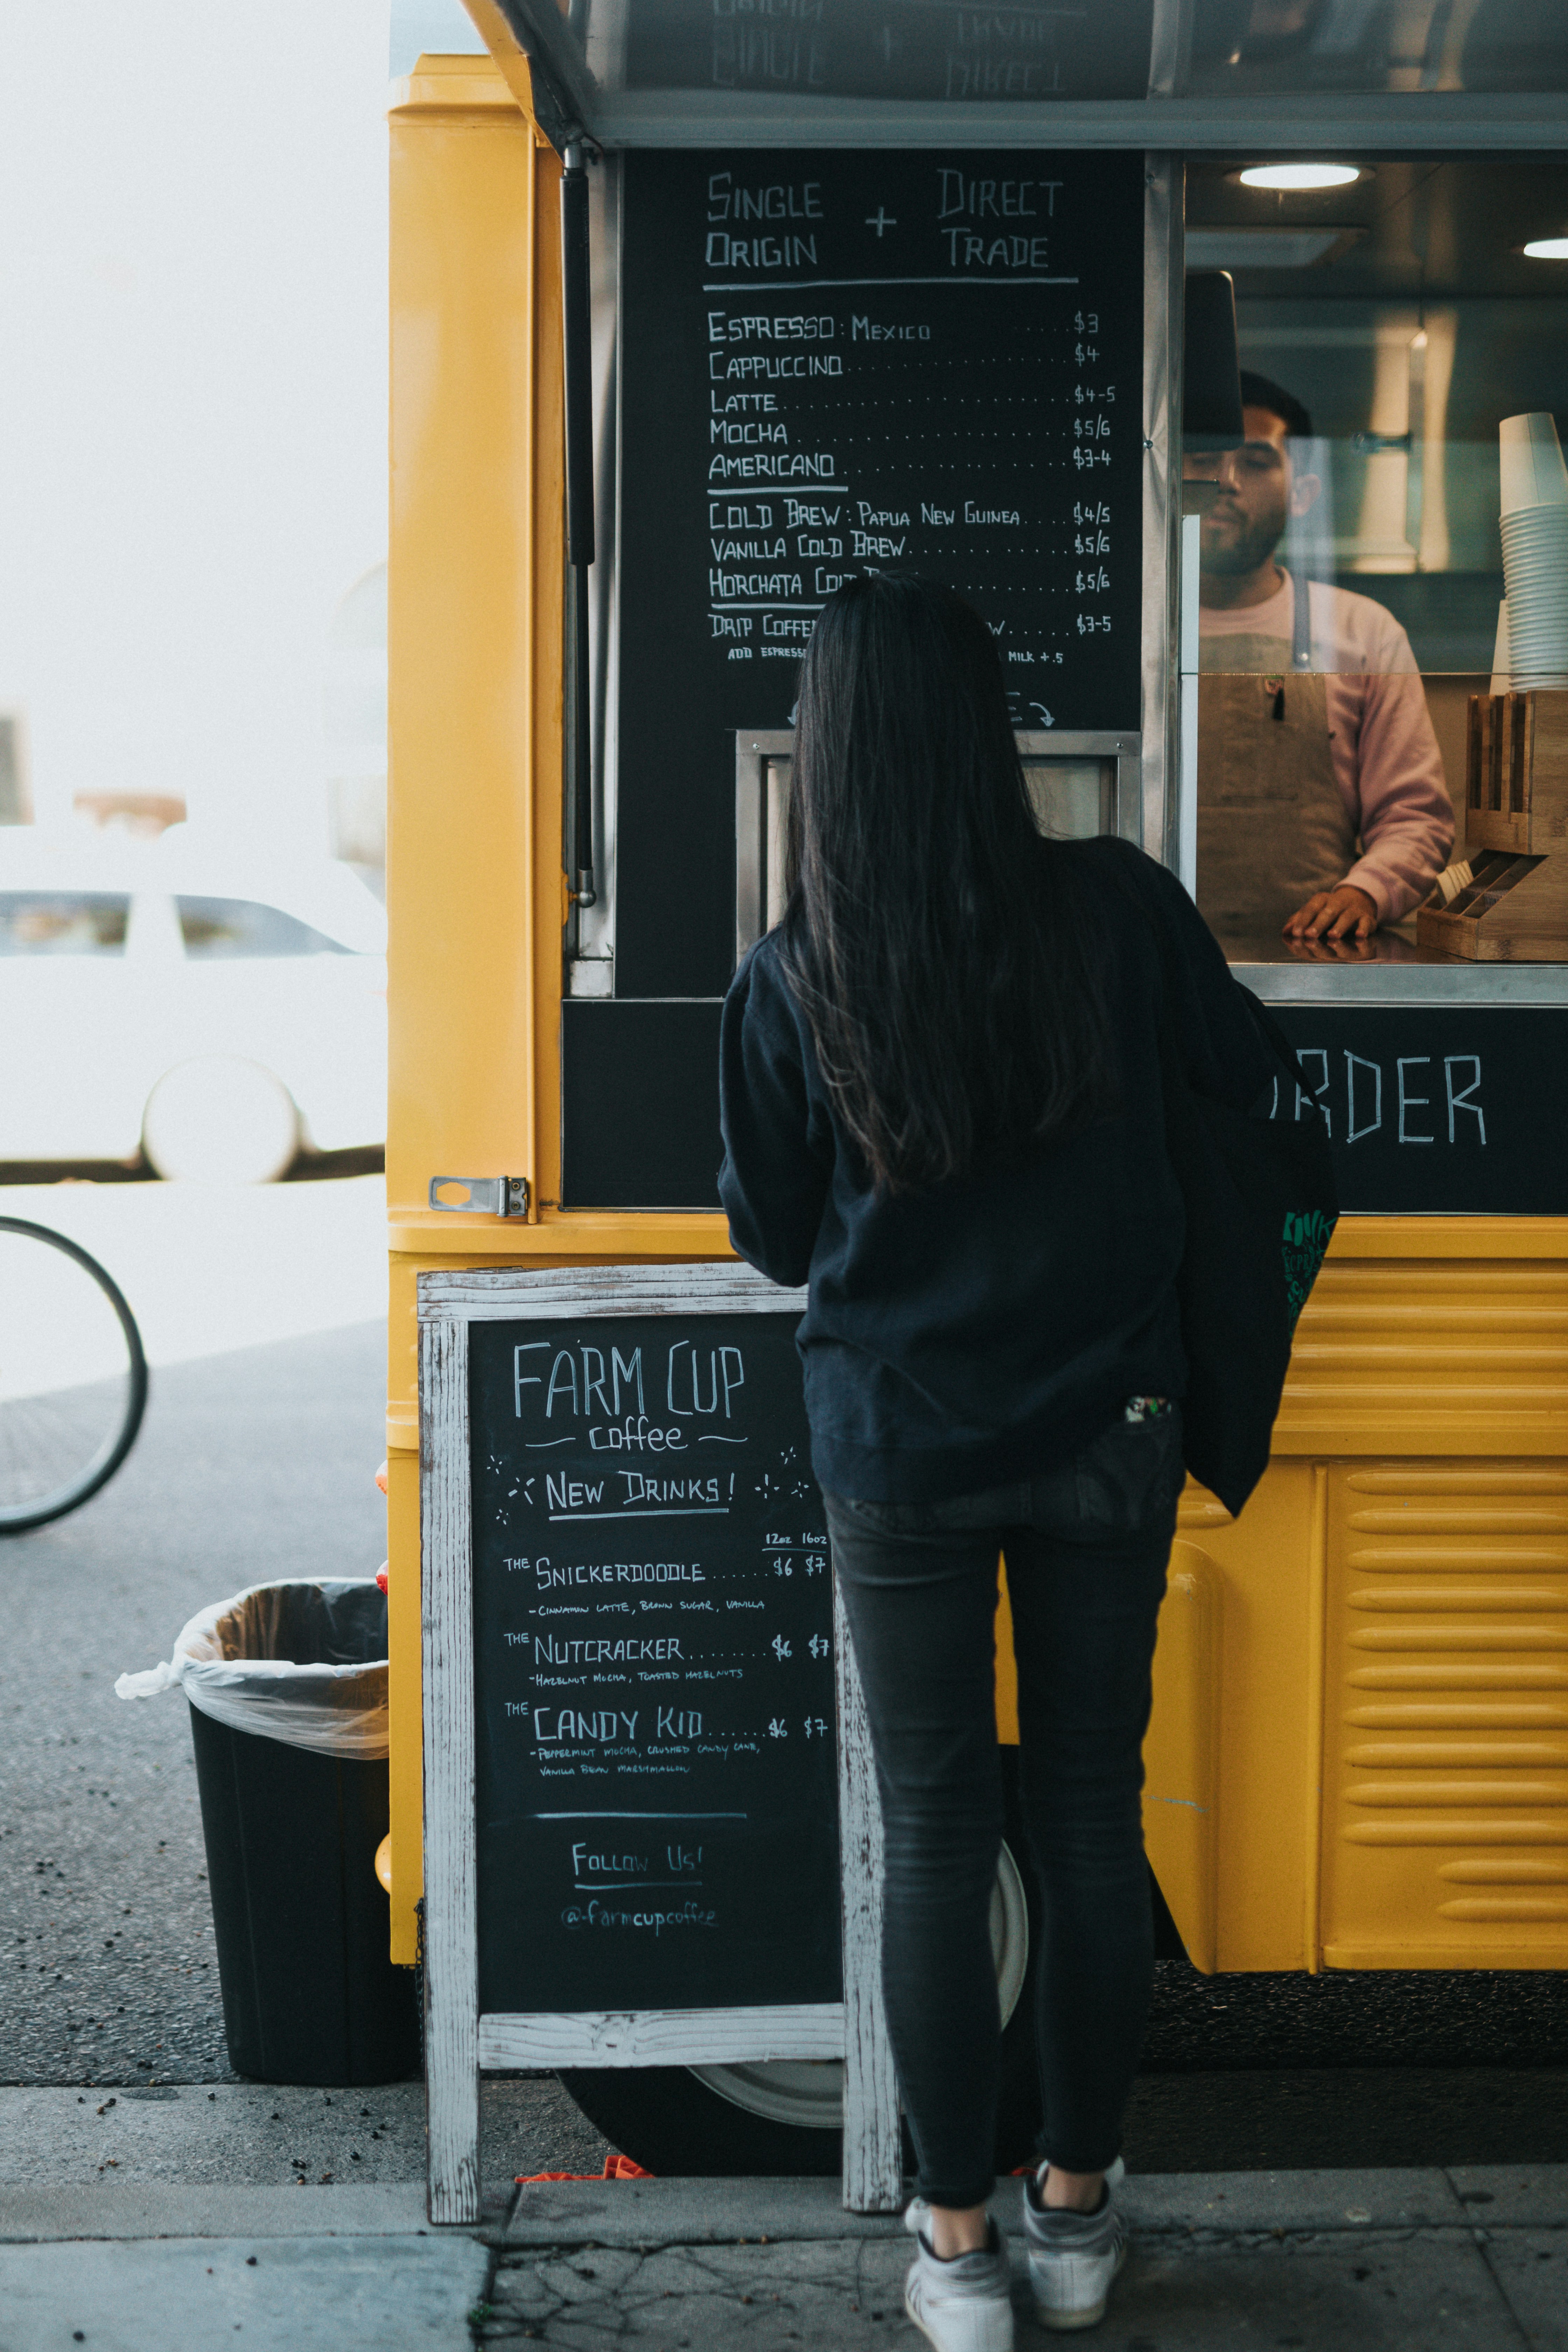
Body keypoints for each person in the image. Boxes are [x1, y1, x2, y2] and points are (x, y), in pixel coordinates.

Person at [718, 574, 1278, 2349]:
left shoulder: (796, 971)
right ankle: (1077, 2215)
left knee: (939, 1836)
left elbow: (774, 1236)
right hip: (1112, 1431)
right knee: (1094, 1816)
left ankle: (954, 2246)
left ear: (828, 754)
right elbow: (1243, 1074)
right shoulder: (1119, 906)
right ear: (988, 733)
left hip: (899, 1449)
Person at [1189, 370, 1453, 944]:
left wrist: (1366, 892)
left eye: (1255, 462)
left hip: (1311, 966)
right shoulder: (1122, 634)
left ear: (1303, 493)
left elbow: (1414, 819)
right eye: (1204, 458)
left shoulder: (1365, 633)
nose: (1225, 480)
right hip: (1138, 968)